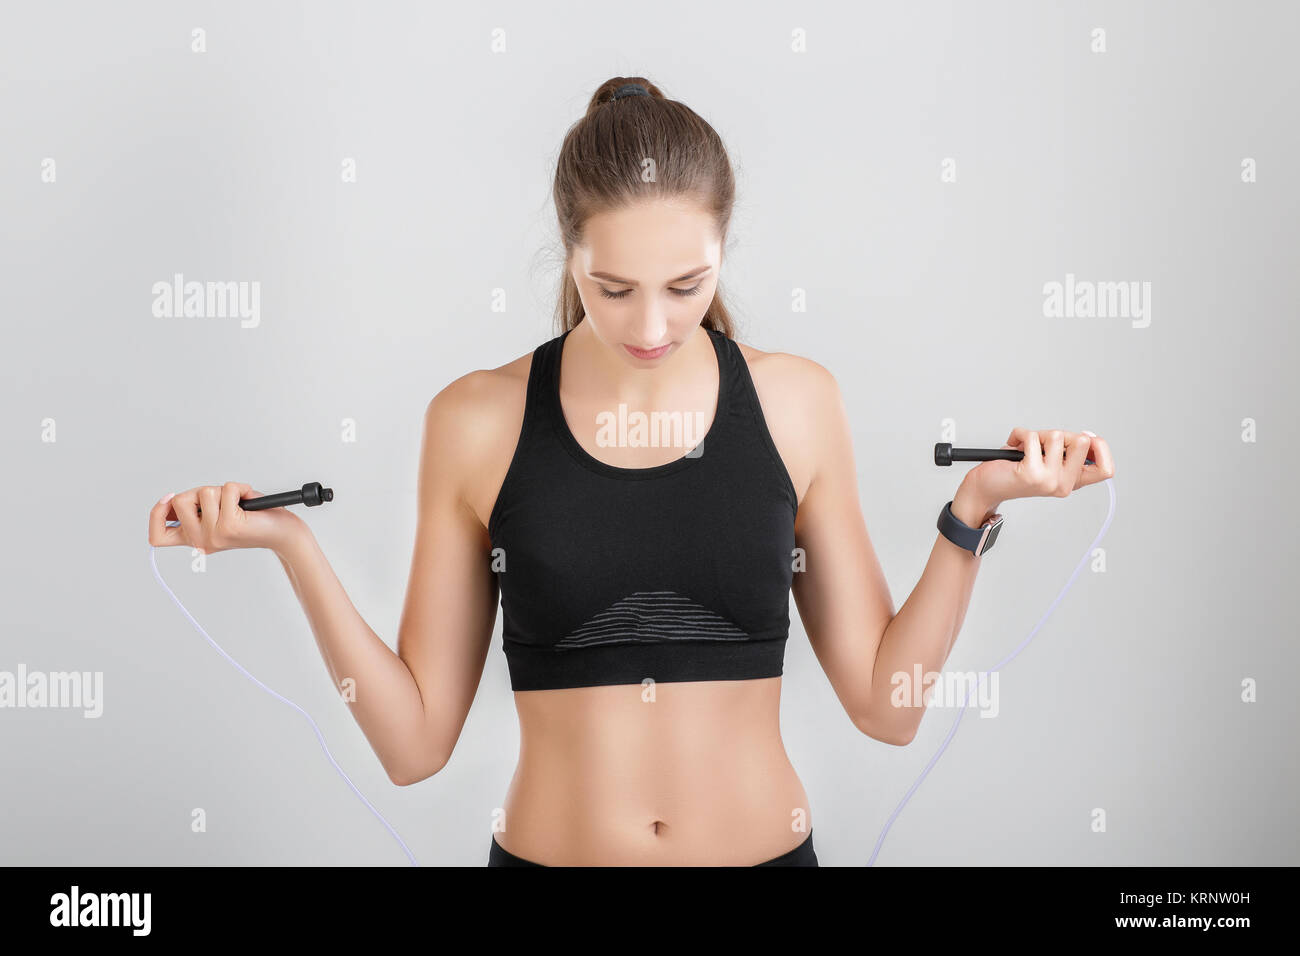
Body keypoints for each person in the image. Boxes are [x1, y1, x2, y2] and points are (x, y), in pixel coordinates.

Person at [147, 76, 1116, 866]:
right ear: (569, 254)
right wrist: (290, 544)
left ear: (721, 252)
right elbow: (413, 745)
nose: (650, 326)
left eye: (686, 288)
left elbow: (884, 707)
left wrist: (971, 512)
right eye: (613, 289)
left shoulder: (793, 402)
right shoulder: (477, 419)